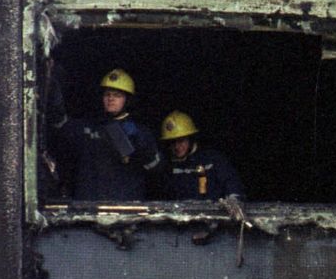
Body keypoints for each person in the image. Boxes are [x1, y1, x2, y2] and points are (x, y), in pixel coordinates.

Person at [47, 68, 161, 203]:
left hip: (126, 210)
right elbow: (61, 126)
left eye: (117, 95)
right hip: (90, 208)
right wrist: (53, 89)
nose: (111, 99)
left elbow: (155, 170)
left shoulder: (140, 132)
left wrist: (141, 145)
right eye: (107, 94)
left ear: (128, 100)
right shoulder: (88, 128)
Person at [159, 111, 245, 205]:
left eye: (181, 141)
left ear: (191, 139)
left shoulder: (211, 159)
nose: (177, 147)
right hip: (182, 217)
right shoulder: (167, 166)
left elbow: (232, 183)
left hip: (213, 216)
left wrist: (234, 201)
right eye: (172, 142)